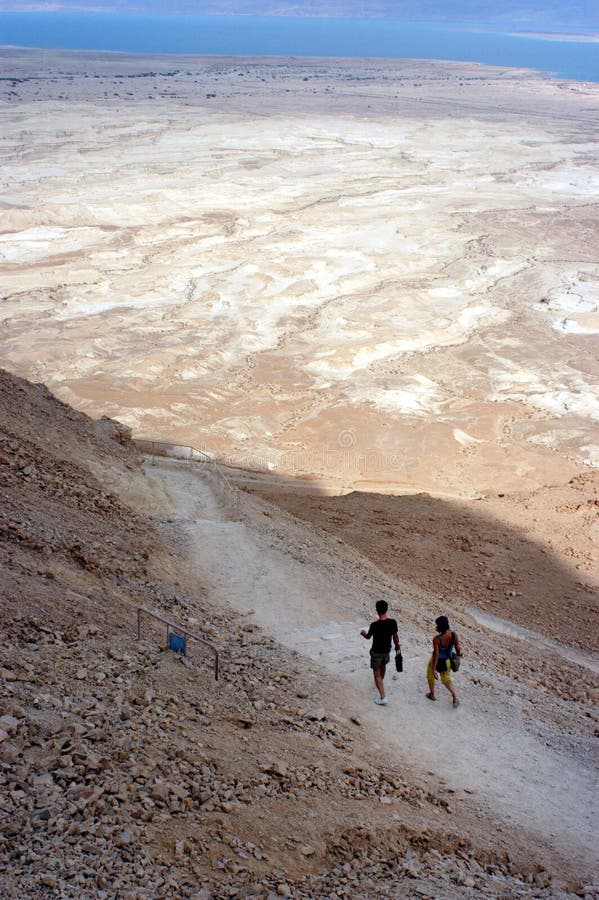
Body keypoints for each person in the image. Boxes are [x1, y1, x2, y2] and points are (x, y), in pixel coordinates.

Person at [360, 600, 400, 705]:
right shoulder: (392, 622)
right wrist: (397, 646)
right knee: (384, 666)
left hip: (376, 652)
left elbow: (368, 637)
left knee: (376, 674)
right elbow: (395, 636)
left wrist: (363, 633)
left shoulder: (374, 625)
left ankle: (383, 697)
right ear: (386, 609)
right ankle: (380, 681)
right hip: (387, 651)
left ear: (377, 610)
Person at [426, 615, 461, 707]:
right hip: (447, 661)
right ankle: (455, 696)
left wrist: (434, 669)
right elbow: (458, 649)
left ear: (439, 626)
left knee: (430, 675)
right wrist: (458, 656)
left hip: (435, 660)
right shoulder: (454, 635)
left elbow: (437, 654)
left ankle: (432, 695)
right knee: (446, 679)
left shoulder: (436, 639)